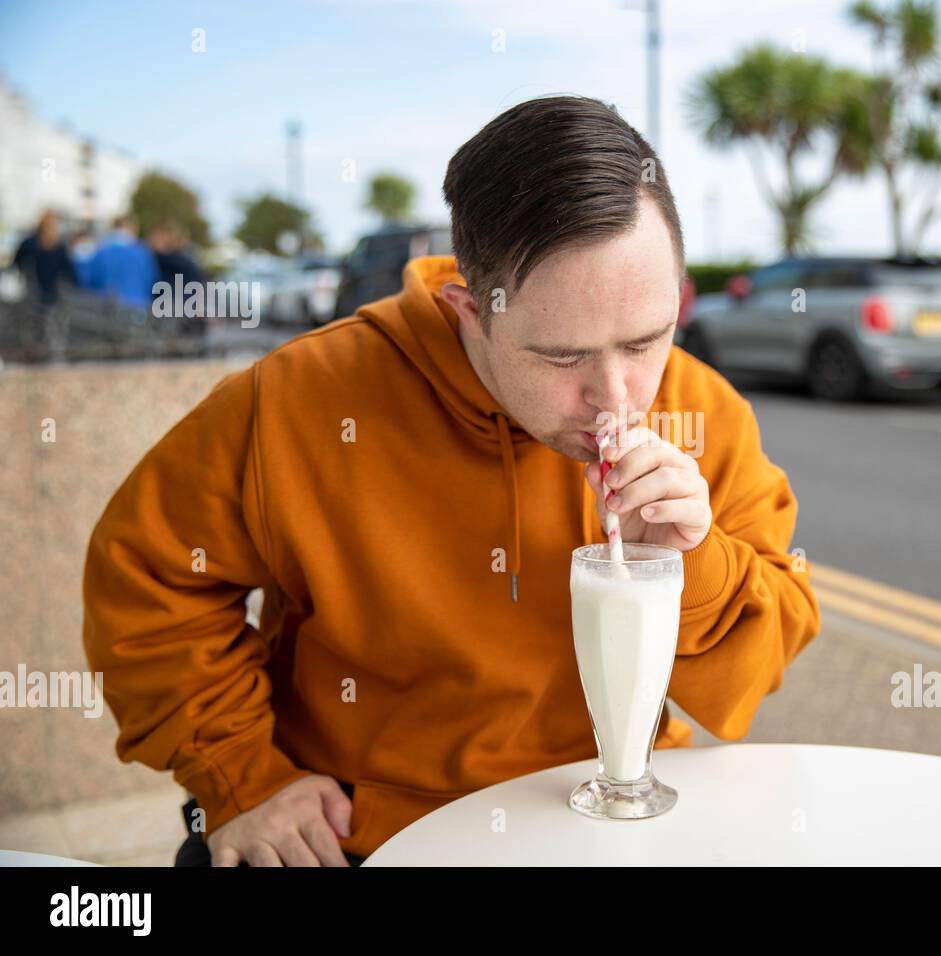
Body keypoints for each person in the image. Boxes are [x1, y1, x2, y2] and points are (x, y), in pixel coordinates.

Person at [81, 95, 821, 867]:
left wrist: (689, 565)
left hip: (615, 824)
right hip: (360, 836)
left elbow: (757, 671)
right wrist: (241, 779)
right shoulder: (302, 400)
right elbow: (146, 581)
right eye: (562, 358)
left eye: (645, 339)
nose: (620, 397)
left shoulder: (705, 411)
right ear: (469, 312)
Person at [82, 214, 158, 308]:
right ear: (132, 228)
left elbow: (89, 282)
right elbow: (152, 281)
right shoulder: (142, 252)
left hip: (106, 309)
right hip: (139, 309)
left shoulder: (101, 251)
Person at [11, 210, 79, 305]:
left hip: (37, 293)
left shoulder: (58, 246)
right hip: (40, 293)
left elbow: (16, 263)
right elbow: (68, 271)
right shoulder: (32, 244)